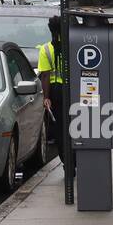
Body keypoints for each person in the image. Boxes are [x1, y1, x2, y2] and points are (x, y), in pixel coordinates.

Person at [36, 15, 66, 144]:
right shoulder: (70, 45)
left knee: (59, 126)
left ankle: (65, 158)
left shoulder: (46, 49)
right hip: (71, 89)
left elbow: (45, 75)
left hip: (55, 92)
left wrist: (46, 97)